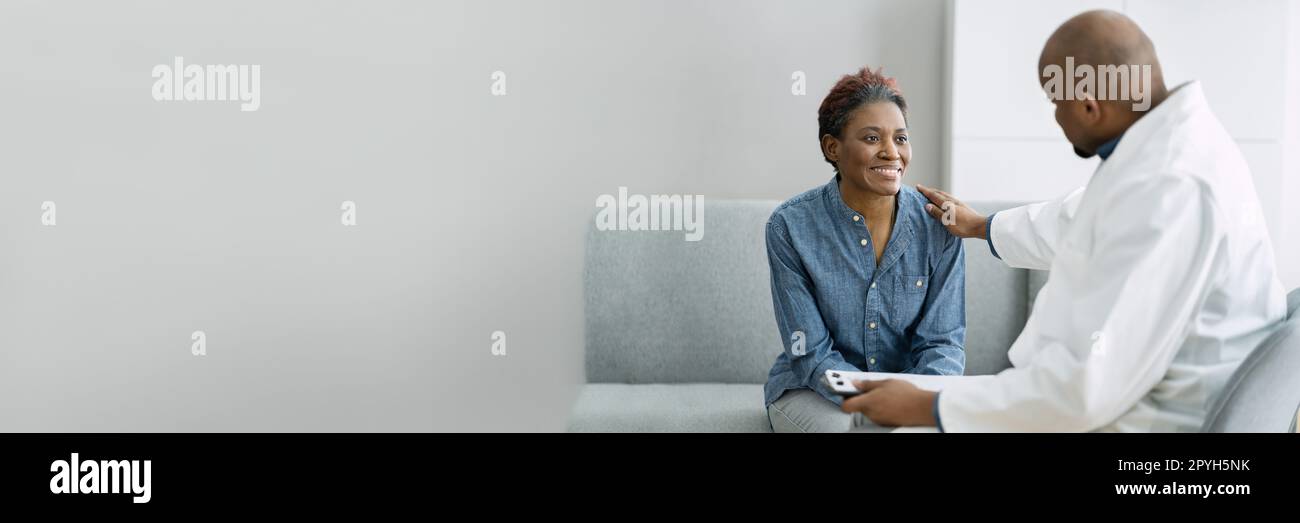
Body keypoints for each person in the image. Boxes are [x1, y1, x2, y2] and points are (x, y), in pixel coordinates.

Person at [841, 10, 1287, 432]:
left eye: (1056, 102)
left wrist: (930, 406)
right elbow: (1085, 221)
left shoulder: (1173, 184)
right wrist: (982, 226)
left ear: (1091, 107)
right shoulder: (1168, 151)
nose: (1056, 116)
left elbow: (1089, 385)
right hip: (1125, 401)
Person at [764, 66, 965, 433]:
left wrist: (913, 404)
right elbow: (809, 352)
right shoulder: (789, 227)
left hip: (910, 390)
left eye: (901, 139)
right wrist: (875, 400)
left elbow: (943, 343)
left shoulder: (941, 224)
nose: (892, 153)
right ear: (832, 147)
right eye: (873, 138)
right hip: (814, 391)